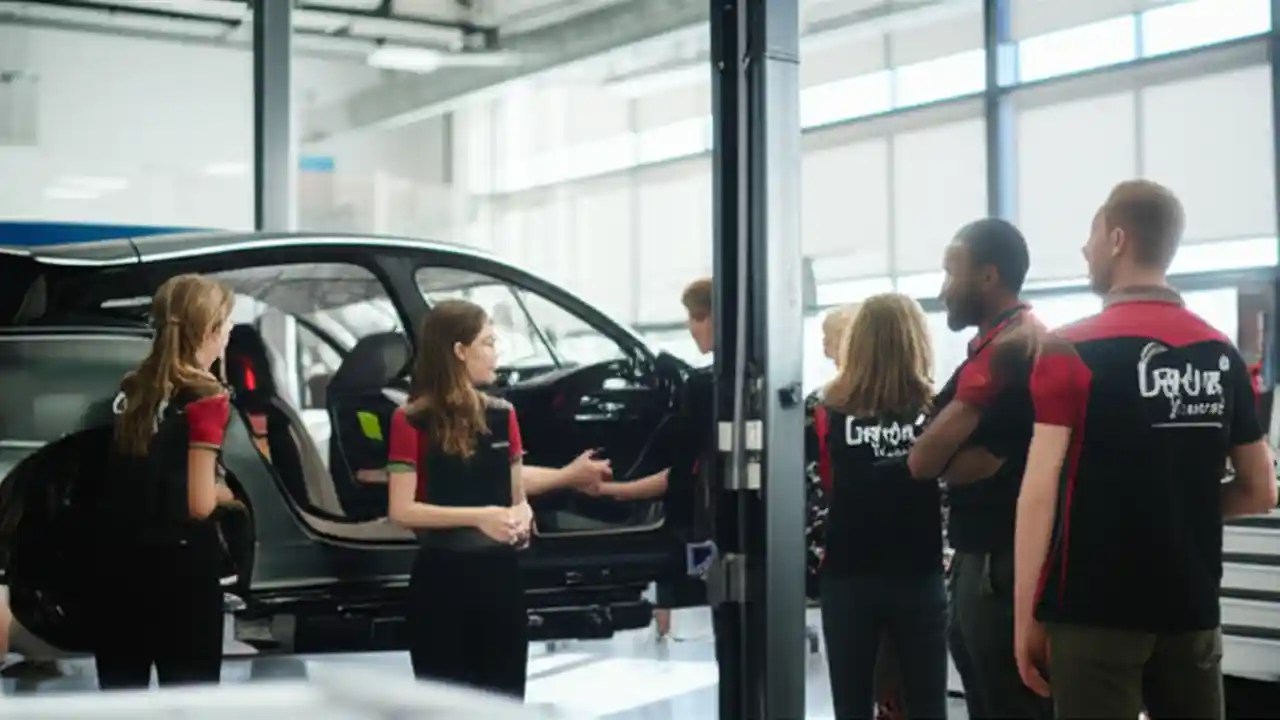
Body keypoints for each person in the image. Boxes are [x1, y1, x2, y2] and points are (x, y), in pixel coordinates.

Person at [1014, 180, 1278, 719]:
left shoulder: (1068, 348)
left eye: (1090, 236)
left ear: (1117, 239)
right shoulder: (1222, 355)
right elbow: (1261, 489)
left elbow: (1039, 493)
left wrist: (1024, 620)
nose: (1085, 251)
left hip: (1093, 611)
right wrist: (1182, 506)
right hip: (1191, 610)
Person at [906, 218, 1052, 720]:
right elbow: (933, 457)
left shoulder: (1020, 355)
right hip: (976, 559)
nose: (943, 289)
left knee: (1009, 703)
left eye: (952, 272)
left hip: (1001, 562)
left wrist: (971, 401)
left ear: (988, 277)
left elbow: (930, 462)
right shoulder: (991, 353)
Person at [386, 299, 538, 698]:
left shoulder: (504, 414)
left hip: (500, 581)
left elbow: (518, 498)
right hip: (443, 580)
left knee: (504, 701)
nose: (495, 352)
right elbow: (402, 510)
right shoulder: (410, 420)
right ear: (459, 350)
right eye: (487, 342)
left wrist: (522, 518)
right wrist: (479, 517)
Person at [93, 273, 240, 689]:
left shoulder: (133, 389)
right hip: (182, 573)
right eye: (227, 324)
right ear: (209, 329)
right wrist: (228, 495)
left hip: (118, 570)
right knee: (188, 702)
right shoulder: (208, 398)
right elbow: (198, 504)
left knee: (123, 702)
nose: (229, 334)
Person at [814, 293, 948, 720]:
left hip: (847, 575)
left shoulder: (822, 409)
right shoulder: (938, 410)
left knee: (851, 707)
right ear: (917, 340)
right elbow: (948, 493)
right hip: (919, 572)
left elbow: (812, 497)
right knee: (927, 704)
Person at [586, 278, 716, 640]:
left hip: (706, 533)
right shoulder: (743, 384)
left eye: (698, 316)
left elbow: (680, 478)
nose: (692, 327)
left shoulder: (704, 390)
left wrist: (612, 491)